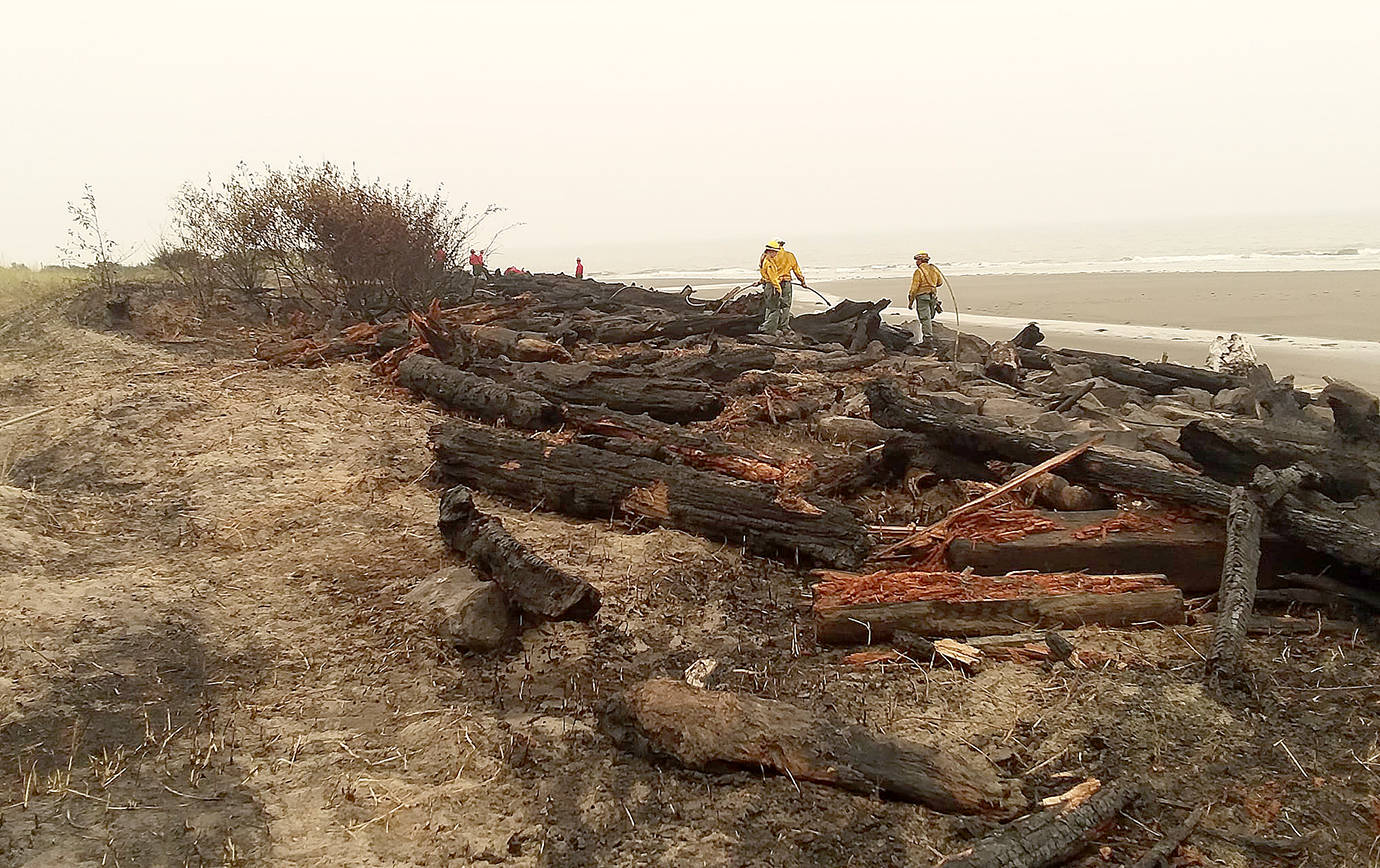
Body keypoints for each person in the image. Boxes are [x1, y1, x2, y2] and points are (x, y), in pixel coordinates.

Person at [908, 251, 944, 346]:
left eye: (917, 260)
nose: (916, 263)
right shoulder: (934, 269)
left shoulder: (918, 271)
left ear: (920, 261)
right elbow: (940, 283)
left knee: (925, 318)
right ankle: (929, 332)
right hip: (932, 295)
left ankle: (928, 338)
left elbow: (914, 288)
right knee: (929, 316)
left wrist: (910, 301)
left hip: (922, 297)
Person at [758, 240, 790, 334]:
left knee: (770, 307)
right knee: (775, 309)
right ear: (769, 251)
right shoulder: (769, 263)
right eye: (775, 251)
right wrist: (778, 289)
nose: (776, 253)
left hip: (767, 285)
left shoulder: (764, 259)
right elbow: (773, 278)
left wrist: (760, 281)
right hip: (771, 287)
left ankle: (767, 327)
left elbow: (766, 275)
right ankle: (768, 329)